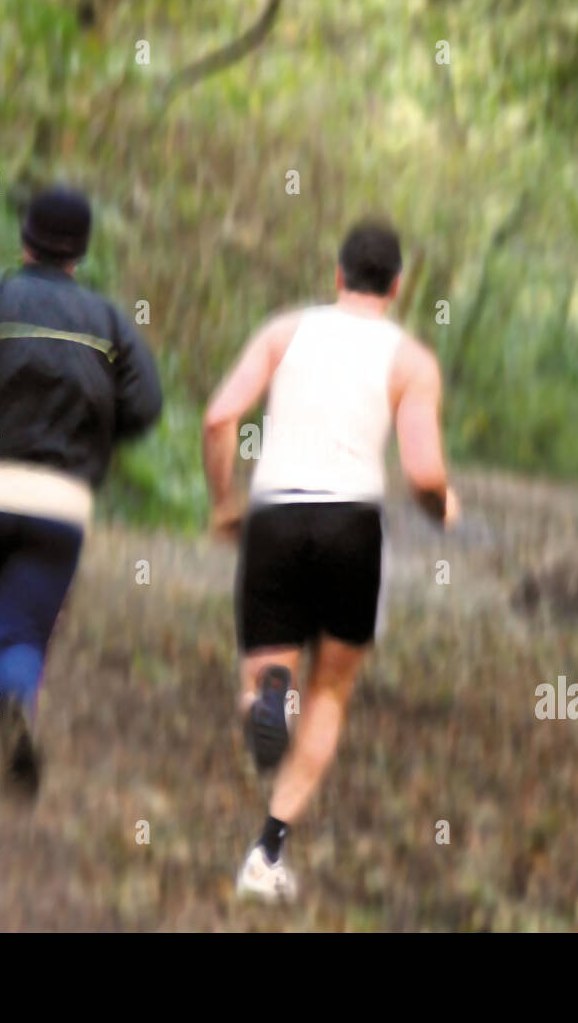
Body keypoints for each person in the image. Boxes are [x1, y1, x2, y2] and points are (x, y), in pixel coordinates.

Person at [202, 219, 459, 902]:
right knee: (332, 689)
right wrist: (444, 507)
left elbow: (220, 416)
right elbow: (425, 473)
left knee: (264, 674)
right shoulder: (410, 361)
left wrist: (225, 501)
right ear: (397, 286)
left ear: (337, 274)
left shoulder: (285, 332)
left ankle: (268, 703)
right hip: (351, 525)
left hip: (276, 516)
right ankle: (267, 851)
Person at [0, 186, 162, 838]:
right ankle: (17, 697)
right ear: (81, 251)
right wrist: (97, 433)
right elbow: (146, 404)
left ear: (24, 237)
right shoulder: (108, 320)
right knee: (20, 637)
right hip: (59, 503)